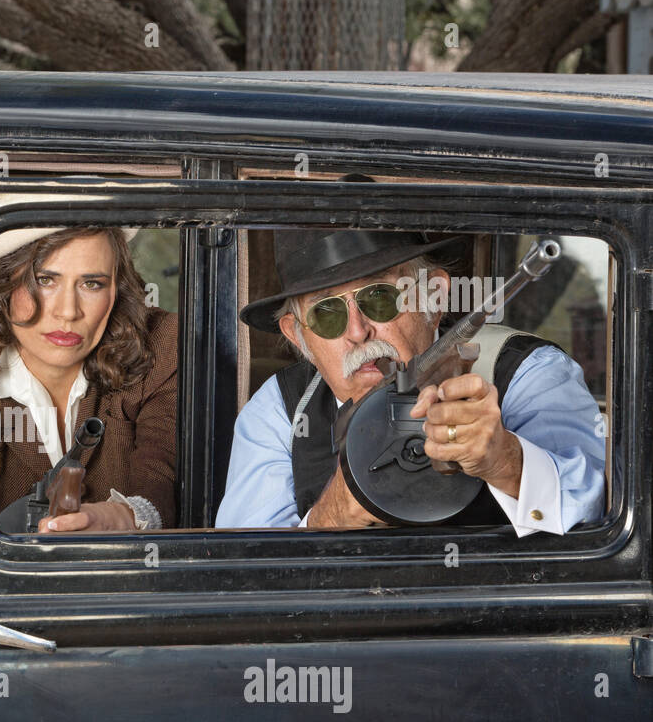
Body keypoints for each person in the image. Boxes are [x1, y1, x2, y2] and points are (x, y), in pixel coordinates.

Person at [215, 228, 605, 532]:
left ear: (434, 299)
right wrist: (331, 516)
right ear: (297, 334)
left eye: (381, 298)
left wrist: (506, 462)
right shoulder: (280, 410)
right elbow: (241, 572)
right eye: (327, 313)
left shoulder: (525, 372)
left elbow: (603, 522)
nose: (357, 331)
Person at [0, 226, 179, 532]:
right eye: (45, 280)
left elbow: (165, 480)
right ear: (1, 282)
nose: (68, 312)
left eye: (91, 284)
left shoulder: (161, 345)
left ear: (116, 289)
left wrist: (123, 517)